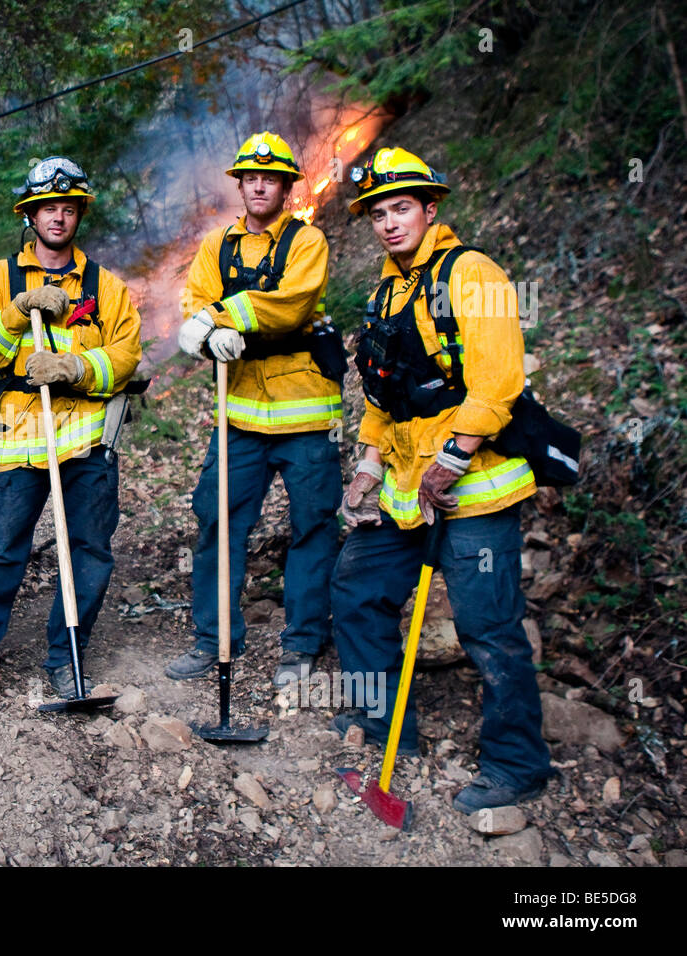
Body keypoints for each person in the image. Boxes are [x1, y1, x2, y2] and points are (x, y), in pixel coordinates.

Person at [331, 146, 552, 812]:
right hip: (406, 486)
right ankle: (384, 728)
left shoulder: (471, 271)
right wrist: (369, 465)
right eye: (378, 213)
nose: (390, 223)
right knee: (356, 588)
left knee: (488, 628)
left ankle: (517, 766)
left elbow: (499, 377)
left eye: (402, 208)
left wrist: (454, 456)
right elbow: (382, 391)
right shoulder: (386, 291)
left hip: (474, 489)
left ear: (430, 209)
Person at [0, 157, 142, 717]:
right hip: (15, 438)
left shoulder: (105, 287)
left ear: (79, 215)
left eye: (69, 208)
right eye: (49, 207)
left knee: (89, 551)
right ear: (30, 213)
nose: (59, 216)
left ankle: (66, 659)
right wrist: (16, 311)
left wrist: (77, 369)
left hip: (88, 444)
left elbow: (126, 355)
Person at [167, 131, 341, 689]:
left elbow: (289, 306)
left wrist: (220, 318)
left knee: (312, 527)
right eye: (251, 176)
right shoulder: (216, 247)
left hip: (305, 416)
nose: (261, 183)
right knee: (218, 521)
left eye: (272, 177)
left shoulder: (308, 242)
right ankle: (212, 639)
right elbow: (194, 305)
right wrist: (201, 335)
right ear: (240, 184)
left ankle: (303, 646)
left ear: (288, 186)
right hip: (238, 415)